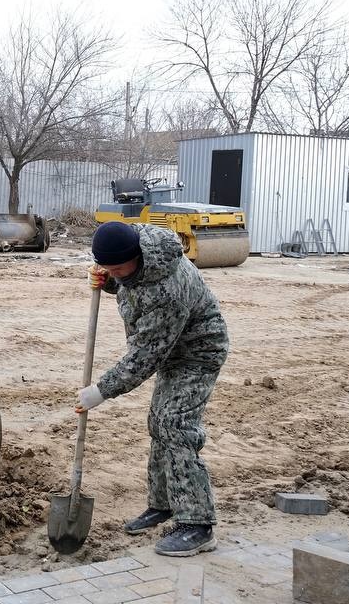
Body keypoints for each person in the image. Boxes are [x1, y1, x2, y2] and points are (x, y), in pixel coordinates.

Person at [75, 220, 229, 557]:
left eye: (117, 269)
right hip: (173, 351)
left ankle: (197, 524)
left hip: (197, 353)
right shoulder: (140, 252)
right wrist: (111, 282)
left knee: (176, 427)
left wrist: (101, 390)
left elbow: (145, 355)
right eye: (107, 268)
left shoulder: (167, 290)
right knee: (158, 423)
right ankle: (164, 504)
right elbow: (133, 283)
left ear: (135, 257)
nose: (113, 273)